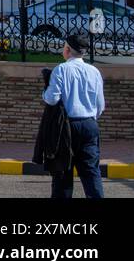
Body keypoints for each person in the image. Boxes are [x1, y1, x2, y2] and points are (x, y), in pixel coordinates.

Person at [42, 33, 105, 199]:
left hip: (66, 127)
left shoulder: (61, 69)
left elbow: (52, 99)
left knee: (63, 173)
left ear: (68, 49)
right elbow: (100, 106)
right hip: (90, 125)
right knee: (91, 172)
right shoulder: (94, 71)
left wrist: (45, 91)